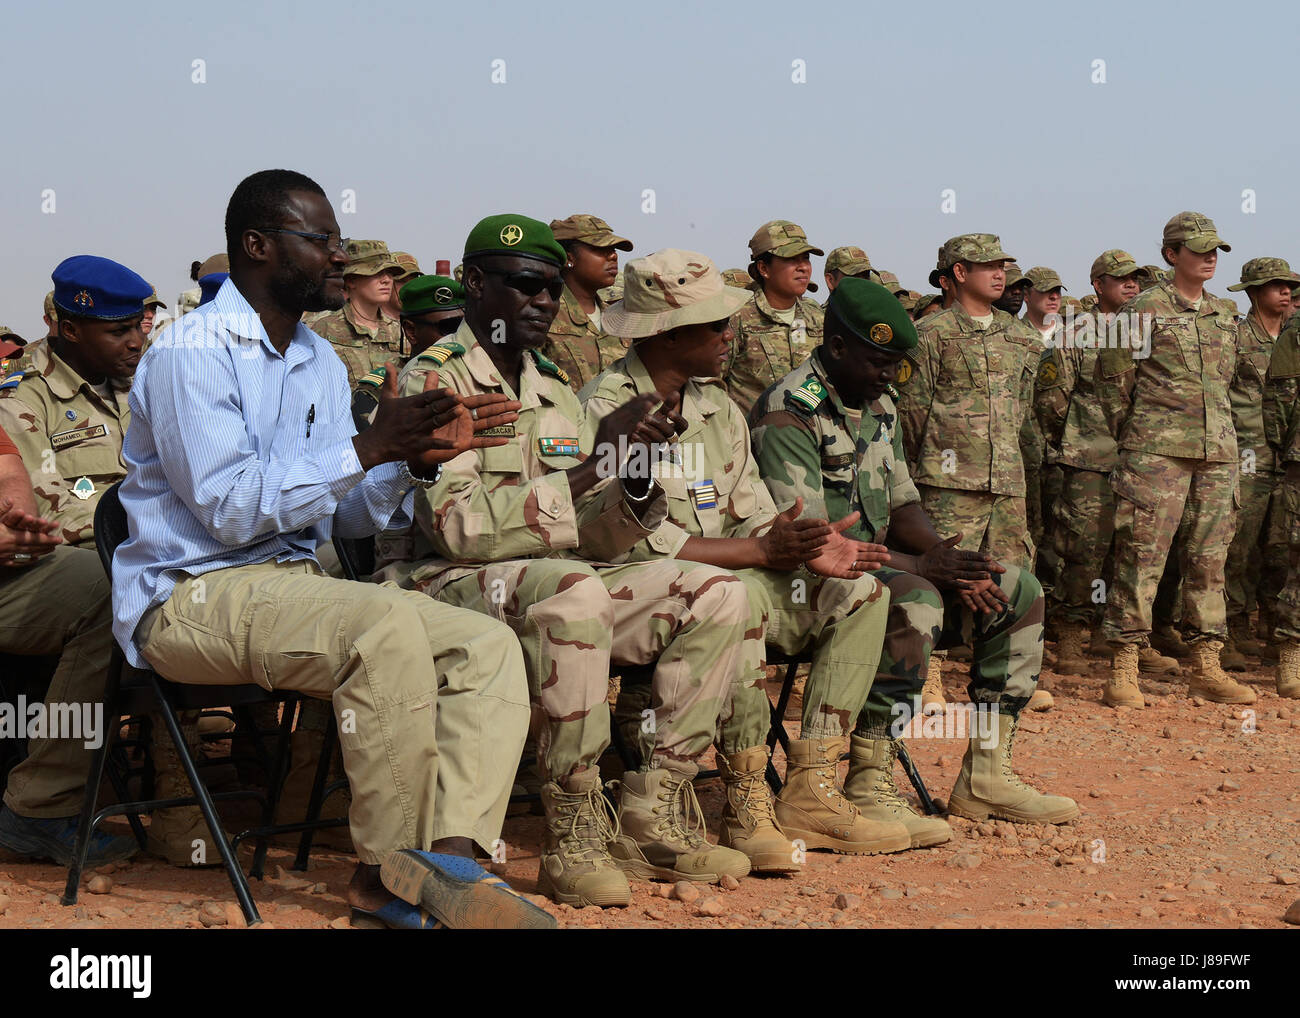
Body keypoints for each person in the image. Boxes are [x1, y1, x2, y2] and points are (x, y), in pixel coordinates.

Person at [113, 170, 544, 930]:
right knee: (381, 627)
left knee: (486, 643)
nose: (339, 257)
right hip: (191, 595)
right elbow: (228, 510)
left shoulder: (315, 358)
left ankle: (451, 863)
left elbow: (344, 518)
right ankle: (386, 878)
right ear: (257, 245)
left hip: (292, 587)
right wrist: (368, 443)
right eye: (322, 240)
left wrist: (411, 463)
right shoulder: (192, 353)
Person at [380, 216, 753, 907]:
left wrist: (632, 475)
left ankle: (651, 808)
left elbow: (597, 537)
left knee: (717, 592)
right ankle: (572, 826)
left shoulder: (551, 386)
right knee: (577, 590)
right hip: (441, 583)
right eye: (525, 285)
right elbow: (458, 529)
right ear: (474, 284)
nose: (543, 302)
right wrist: (587, 468)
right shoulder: (434, 378)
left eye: (552, 289)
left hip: (546, 577)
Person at [583, 249, 909, 859]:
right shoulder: (606, 408)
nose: (730, 334)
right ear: (669, 333)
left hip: (730, 576)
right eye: (715, 324)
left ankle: (812, 785)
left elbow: (750, 502)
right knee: (736, 597)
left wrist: (805, 540)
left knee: (862, 589)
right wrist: (760, 548)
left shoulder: (718, 408)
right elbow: (632, 537)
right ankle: (745, 795)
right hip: (637, 590)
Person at [752, 277, 1075, 827]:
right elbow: (812, 541)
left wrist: (953, 561)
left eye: (897, 365)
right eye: (879, 361)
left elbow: (902, 503)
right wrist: (921, 569)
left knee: (1015, 588)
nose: (888, 375)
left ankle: (987, 776)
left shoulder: (878, 403)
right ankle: (869, 777)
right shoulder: (790, 410)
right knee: (918, 596)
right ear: (836, 348)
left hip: (879, 571)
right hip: (806, 583)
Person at [0, 268, 146, 868]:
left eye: (140, 325)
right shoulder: (20, 393)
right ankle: (38, 807)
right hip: (46, 564)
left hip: (121, 547)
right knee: (110, 594)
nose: (136, 341)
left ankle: (188, 792)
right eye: (117, 330)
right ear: (65, 327)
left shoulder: (137, 382)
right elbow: (42, 514)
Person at [1096, 212, 1252, 705]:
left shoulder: (1225, 313)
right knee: (1141, 556)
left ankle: (1207, 664)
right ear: (1171, 254)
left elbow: (1236, 384)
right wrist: (1139, 436)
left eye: (1215, 251)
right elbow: (1112, 381)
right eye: (1199, 249)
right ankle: (1124, 665)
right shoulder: (1142, 309)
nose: (1209, 258)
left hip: (1217, 452)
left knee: (1210, 561)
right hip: (1155, 453)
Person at [1033, 249, 1176, 690]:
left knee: (1134, 552)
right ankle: (1073, 634)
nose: (1131, 285)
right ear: (1098, 285)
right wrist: (1075, 441)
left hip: (1144, 457)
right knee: (1083, 549)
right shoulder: (1076, 333)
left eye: (1135, 279)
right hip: (1090, 456)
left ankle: (1127, 640)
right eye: (1120, 280)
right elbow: (1052, 399)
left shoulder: (1148, 331)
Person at [1220, 258, 1298, 669]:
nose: (1286, 292)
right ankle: (1231, 631)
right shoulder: (1235, 337)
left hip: (1286, 456)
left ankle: (1274, 629)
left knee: (1281, 547)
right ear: (1253, 292)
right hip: (1246, 453)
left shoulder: (1293, 337)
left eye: (1289, 285)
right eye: (1276, 286)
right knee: (1239, 546)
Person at [725, 220, 825, 415]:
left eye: (806, 258)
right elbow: (712, 387)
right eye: (791, 259)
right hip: (755, 440)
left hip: (811, 439)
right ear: (764, 268)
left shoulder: (816, 317)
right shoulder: (737, 317)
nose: (803, 267)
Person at [351, 274, 466, 432]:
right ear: (411, 331)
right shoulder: (376, 392)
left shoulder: (477, 375)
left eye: (464, 327)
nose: (458, 337)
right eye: (449, 328)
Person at [543, 214, 633, 391]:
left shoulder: (622, 320)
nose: (613, 256)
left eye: (614, 249)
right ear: (569, 258)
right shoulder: (544, 314)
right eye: (601, 249)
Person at [304, 239, 405, 386]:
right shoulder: (322, 328)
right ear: (351, 280)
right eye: (377, 272)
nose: (387, 280)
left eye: (390, 273)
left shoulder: (400, 332)